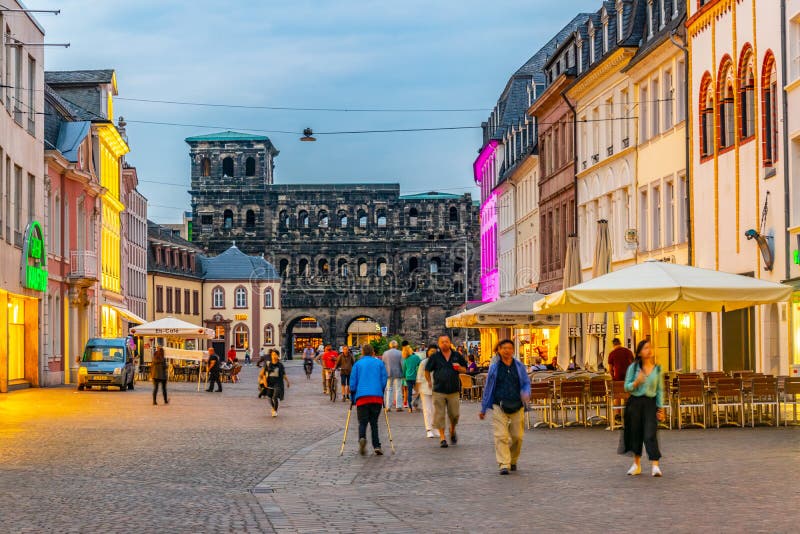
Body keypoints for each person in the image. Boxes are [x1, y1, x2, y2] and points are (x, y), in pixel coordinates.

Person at [479, 339, 531, 475]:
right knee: (501, 435)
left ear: (513, 350)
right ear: (499, 350)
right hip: (499, 405)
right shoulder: (495, 367)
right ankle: (504, 463)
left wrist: (526, 392)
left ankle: (513, 459)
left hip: (517, 405)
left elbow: (526, 382)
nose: (507, 351)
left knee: (517, 436)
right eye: (504, 348)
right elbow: (488, 387)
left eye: (509, 348)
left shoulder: (519, 366)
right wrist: (484, 408)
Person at [619, 340, 665, 477]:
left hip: (650, 403)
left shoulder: (657, 369)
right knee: (636, 433)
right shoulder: (633, 368)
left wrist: (660, 408)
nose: (649, 350)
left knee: (650, 432)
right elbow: (626, 387)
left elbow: (660, 390)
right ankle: (636, 464)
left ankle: (655, 465)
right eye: (645, 348)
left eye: (650, 347)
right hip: (635, 403)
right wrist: (636, 382)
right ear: (639, 352)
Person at [425, 335, 468, 448]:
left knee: (454, 415)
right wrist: (429, 381)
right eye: (442, 342)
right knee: (440, 415)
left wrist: (459, 368)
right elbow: (427, 370)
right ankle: (443, 438)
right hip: (439, 390)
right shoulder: (435, 357)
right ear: (439, 344)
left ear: (450, 343)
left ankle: (452, 430)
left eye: (446, 341)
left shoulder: (457, 355)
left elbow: (465, 369)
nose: (444, 343)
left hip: (453, 390)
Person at [350, 343, 388, 456]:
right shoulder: (379, 363)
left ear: (362, 352)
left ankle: (362, 438)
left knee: (362, 423)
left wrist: (353, 396)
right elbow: (384, 379)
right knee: (374, 423)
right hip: (376, 397)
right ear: (373, 352)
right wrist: (380, 391)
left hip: (362, 397)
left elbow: (353, 383)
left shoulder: (357, 364)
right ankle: (376, 445)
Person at [259, 349, 290, 417]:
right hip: (270, 382)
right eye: (272, 355)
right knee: (269, 397)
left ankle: (275, 411)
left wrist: (287, 381)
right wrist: (264, 381)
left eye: (275, 355)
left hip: (278, 383)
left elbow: (284, 374)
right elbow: (263, 373)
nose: (273, 356)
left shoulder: (280, 365)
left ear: (278, 356)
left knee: (275, 397)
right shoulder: (268, 364)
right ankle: (273, 408)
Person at [416, 345, 438, 438]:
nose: (433, 353)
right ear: (428, 352)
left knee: (435, 410)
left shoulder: (439, 363)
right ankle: (428, 429)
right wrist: (418, 387)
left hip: (437, 388)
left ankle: (435, 428)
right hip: (425, 388)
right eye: (431, 351)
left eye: (435, 351)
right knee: (427, 409)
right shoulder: (424, 363)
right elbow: (419, 376)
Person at [382, 340, 404, 411]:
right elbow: (402, 364)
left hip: (388, 373)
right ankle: (399, 406)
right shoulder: (400, 353)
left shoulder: (385, 353)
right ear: (396, 345)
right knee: (398, 389)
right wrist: (403, 372)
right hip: (398, 373)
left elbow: (383, 363)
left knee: (389, 389)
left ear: (390, 345)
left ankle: (388, 406)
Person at [402, 344, 421, 413]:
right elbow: (421, 365)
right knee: (419, 391)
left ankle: (410, 408)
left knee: (409, 393)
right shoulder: (416, 357)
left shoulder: (406, 359)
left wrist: (404, 376)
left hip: (408, 377)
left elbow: (404, 369)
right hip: (416, 377)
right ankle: (415, 403)